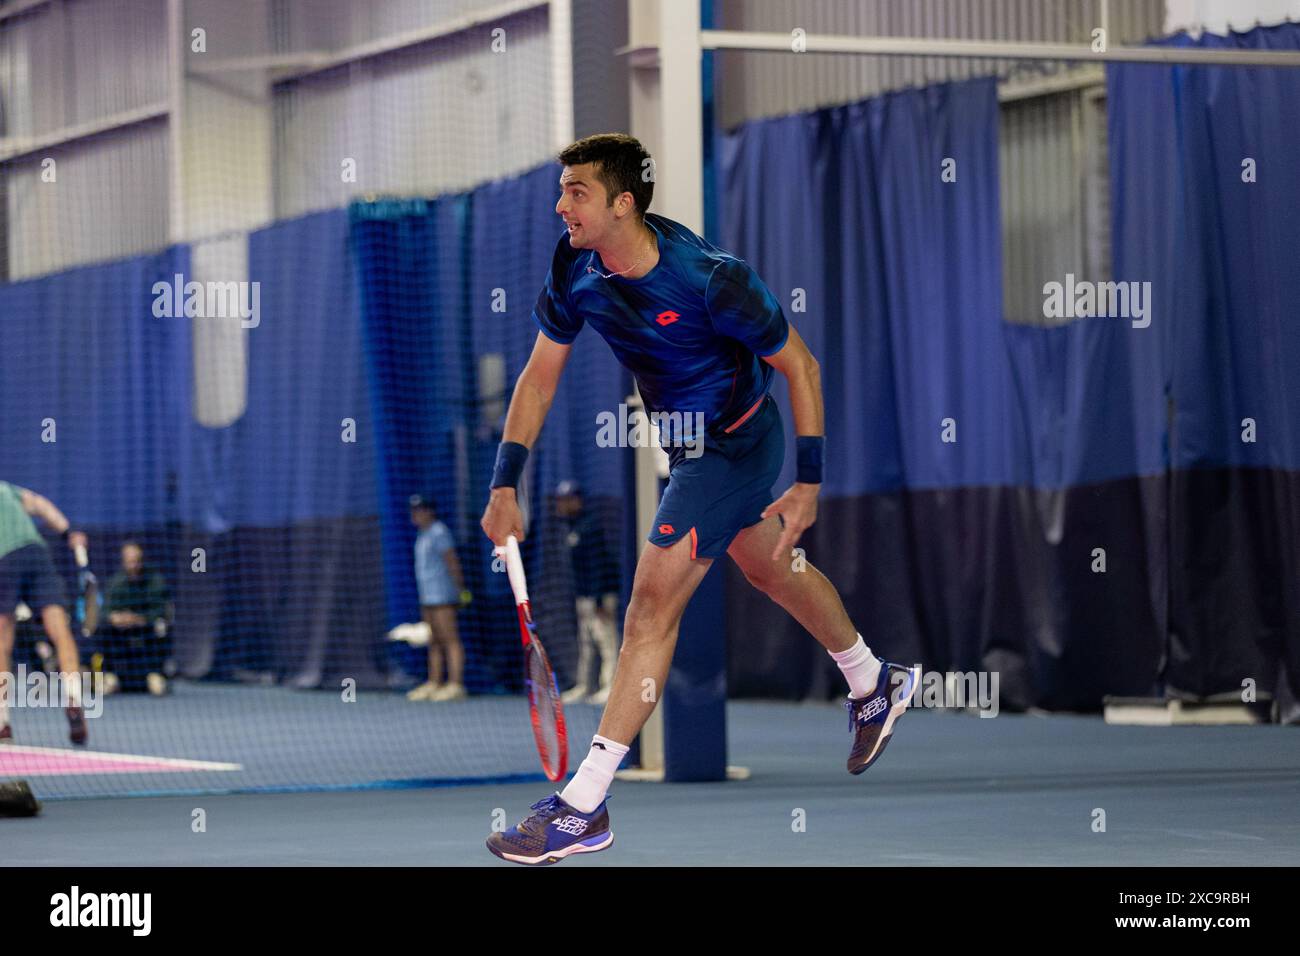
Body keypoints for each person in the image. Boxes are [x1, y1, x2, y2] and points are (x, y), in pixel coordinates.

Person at [481, 134, 920, 865]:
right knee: (770, 568)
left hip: (737, 446)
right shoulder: (575, 266)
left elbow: (802, 366)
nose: (561, 206)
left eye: (577, 192)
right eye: (561, 191)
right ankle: (873, 679)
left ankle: (583, 804)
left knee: (648, 610)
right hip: (686, 446)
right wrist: (504, 482)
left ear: (623, 203)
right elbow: (538, 377)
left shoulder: (713, 280)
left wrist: (808, 483)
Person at [0, 481, 91, 745]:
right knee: (60, 632)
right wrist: (68, 532)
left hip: (4, 561)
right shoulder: (6, 489)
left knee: (2, 643)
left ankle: (2, 723)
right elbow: (40, 505)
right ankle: (73, 699)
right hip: (36, 555)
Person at [553, 480, 620, 705]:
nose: (561, 505)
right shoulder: (569, 527)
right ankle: (584, 685)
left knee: (606, 641)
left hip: (600, 594)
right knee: (586, 643)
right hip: (584, 595)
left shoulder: (590, 527)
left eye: (567, 500)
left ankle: (610, 686)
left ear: (577, 501)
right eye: (560, 500)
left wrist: (599, 599)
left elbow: (600, 565)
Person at [406, 495, 470, 702]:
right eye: (413, 511)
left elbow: (452, 561)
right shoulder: (422, 534)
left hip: (443, 595)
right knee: (433, 640)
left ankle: (456, 684)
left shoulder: (439, 532)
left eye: (420, 510)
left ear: (430, 511)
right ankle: (434, 682)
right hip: (427, 596)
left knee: (450, 639)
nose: (415, 515)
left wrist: (461, 590)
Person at [98, 542, 171, 695]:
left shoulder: (155, 581)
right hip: (121, 635)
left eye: (136, 561)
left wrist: (138, 619)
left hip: (147, 633)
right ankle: (111, 676)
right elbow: (105, 611)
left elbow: (161, 611)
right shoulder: (116, 583)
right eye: (129, 561)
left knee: (161, 627)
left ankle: (156, 675)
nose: (133, 565)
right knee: (102, 628)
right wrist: (116, 618)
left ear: (142, 560)